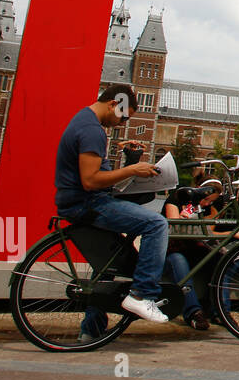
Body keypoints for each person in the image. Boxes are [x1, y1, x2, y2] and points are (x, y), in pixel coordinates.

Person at [54, 84, 169, 328]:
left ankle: (91, 329)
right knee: (156, 224)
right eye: (124, 115)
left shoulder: (84, 120)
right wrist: (131, 170)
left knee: (109, 261)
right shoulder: (91, 130)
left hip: (82, 200)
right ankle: (141, 295)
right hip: (87, 203)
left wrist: (131, 166)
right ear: (114, 104)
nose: (123, 122)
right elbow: (90, 180)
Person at [161, 179, 226, 330]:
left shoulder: (208, 208)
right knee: (179, 262)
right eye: (206, 199)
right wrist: (185, 218)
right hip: (172, 248)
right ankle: (194, 312)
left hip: (193, 247)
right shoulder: (177, 198)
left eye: (212, 201)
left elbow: (209, 231)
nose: (207, 204)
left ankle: (220, 310)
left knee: (219, 260)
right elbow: (174, 224)